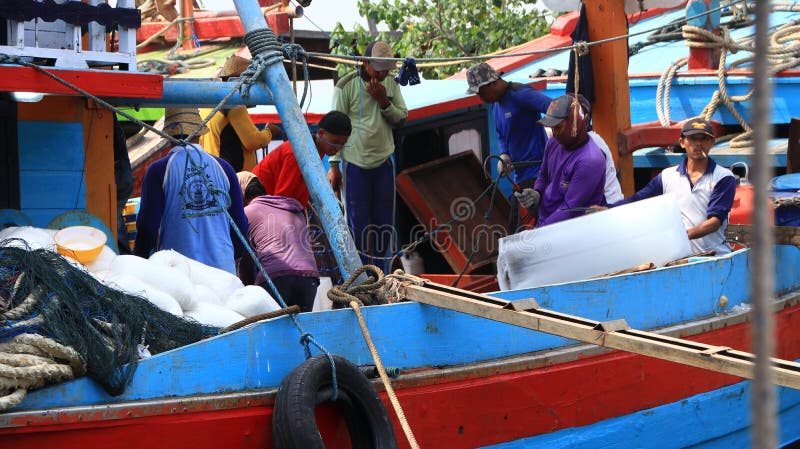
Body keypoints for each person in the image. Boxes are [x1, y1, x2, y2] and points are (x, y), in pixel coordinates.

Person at [135, 108, 248, 274]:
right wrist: (234, 256)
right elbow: (240, 224)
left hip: (180, 275)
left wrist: (141, 261)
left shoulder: (159, 170)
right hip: (223, 272)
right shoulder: (224, 168)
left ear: (167, 136)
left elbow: (148, 227)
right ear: (200, 134)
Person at [328, 40, 408, 270]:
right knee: (358, 224)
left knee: (384, 221)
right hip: (354, 164)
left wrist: (384, 101)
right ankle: (361, 274)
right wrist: (333, 164)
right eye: (379, 68)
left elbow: (402, 118)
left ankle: (383, 271)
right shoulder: (346, 86)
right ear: (365, 63)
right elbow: (334, 126)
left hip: (383, 161)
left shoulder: (391, 85)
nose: (383, 72)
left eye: (386, 68)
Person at [604, 118, 736, 255]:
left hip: (717, 257)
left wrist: (680, 236)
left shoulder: (723, 177)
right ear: (682, 142)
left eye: (703, 139)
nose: (698, 144)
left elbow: (715, 222)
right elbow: (638, 200)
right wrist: (608, 210)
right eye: (692, 139)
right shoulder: (667, 176)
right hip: (682, 259)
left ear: (712, 142)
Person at [466, 62, 552, 231]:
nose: (480, 98)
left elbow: (554, 108)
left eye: (480, 93)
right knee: (513, 230)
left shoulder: (521, 94)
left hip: (537, 174)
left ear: (492, 84)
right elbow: (501, 134)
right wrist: (504, 154)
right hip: (519, 178)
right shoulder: (495, 105)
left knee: (526, 231)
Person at [515, 94, 606, 227]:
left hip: (571, 230)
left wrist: (540, 231)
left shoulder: (590, 161)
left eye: (558, 127)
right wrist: (537, 193)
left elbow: (570, 209)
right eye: (552, 128)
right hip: (547, 221)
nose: (554, 132)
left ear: (573, 125)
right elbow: (544, 174)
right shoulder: (553, 142)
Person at [237, 173, 320, 313]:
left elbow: (245, 261)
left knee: (272, 331)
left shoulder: (247, 212)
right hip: (309, 278)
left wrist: (246, 290)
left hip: (276, 277)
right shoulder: (289, 207)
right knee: (300, 331)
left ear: (241, 194)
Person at [199, 55, 282, 172]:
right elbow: (252, 142)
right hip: (233, 175)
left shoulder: (208, 103)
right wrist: (269, 132)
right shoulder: (234, 104)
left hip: (212, 170)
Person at [252, 111, 352, 208]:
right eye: (335, 142)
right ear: (321, 133)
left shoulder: (315, 150)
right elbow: (283, 199)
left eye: (342, 144)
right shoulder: (298, 153)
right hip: (257, 201)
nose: (338, 148)